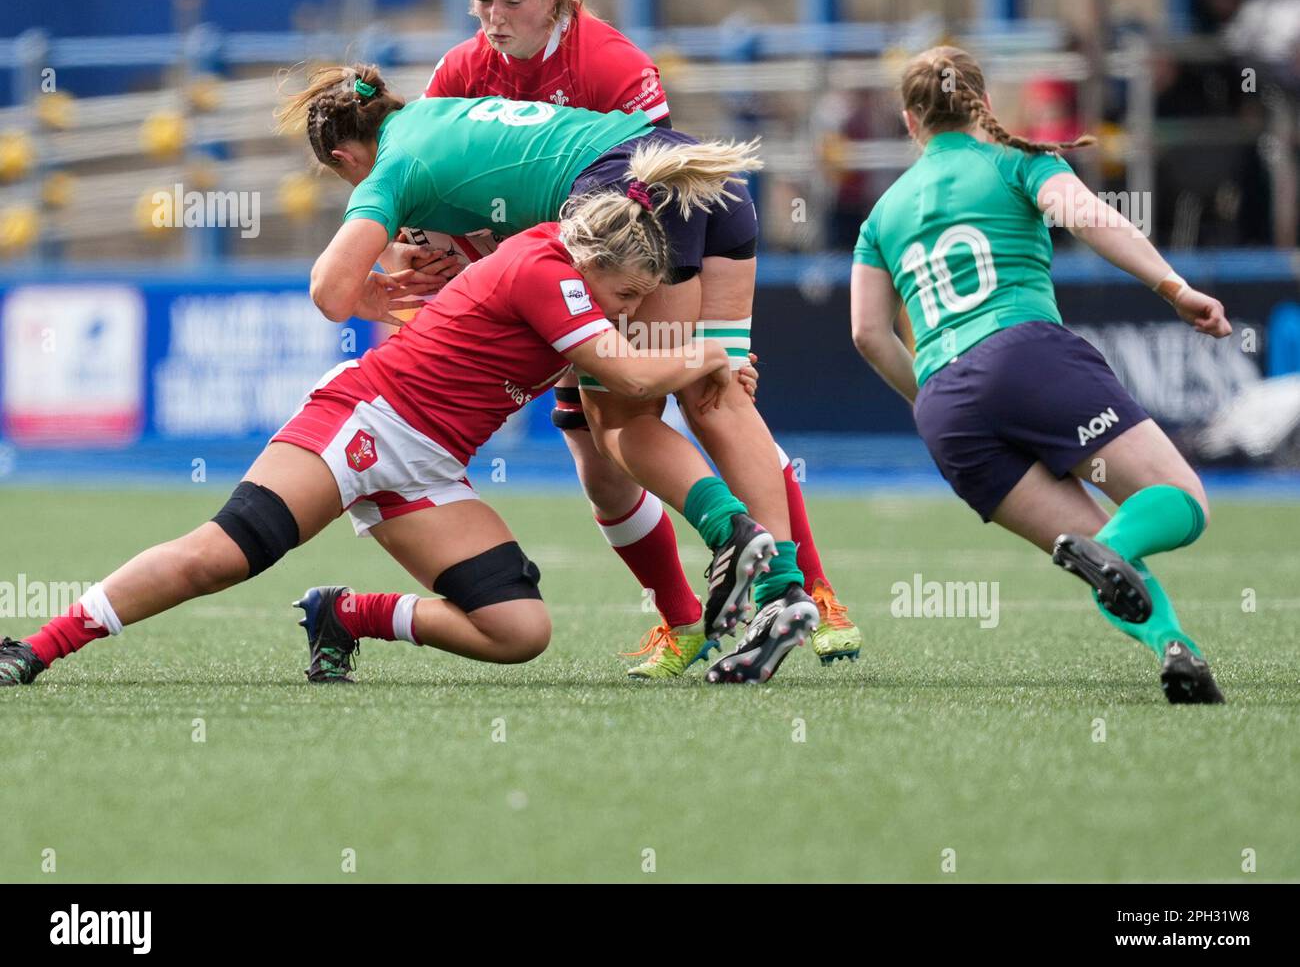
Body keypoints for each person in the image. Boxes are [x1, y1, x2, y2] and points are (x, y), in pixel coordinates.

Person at [0, 183, 788, 688]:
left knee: (520, 630)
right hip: (363, 422)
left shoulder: (567, 271)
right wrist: (713, 353)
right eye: (624, 296)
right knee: (221, 554)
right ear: (595, 266)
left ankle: (345, 615)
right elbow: (628, 376)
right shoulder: (548, 270)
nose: (625, 311)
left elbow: (628, 365)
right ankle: (37, 646)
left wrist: (702, 364)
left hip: (430, 465)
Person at [422, 0, 861, 673]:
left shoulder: (614, 64)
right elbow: (444, 192)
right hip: (591, 253)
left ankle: (799, 586)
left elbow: (657, 208)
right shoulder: (459, 70)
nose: (494, 16)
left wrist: (692, 346)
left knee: (661, 409)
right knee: (606, 463)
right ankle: (697, 617)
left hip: (650, 236)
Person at [280, 66, 824, 682]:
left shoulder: (392, 164)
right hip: (696, 173)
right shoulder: (442, 110)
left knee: (621, 417)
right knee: (718, 398)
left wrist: (376, 297)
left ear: (345, 155)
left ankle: (731, 532)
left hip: (631, 192)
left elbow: (330, 291)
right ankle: (784, 588)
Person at [850, 46, 1231, 704]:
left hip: (947, 407)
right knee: (1182, 500)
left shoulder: (881, 214)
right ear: (985, 104)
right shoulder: (1018, 160)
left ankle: (1175, 645)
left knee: (1101, 560)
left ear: (912, 122)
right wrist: (1173, 286)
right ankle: (1106, 546)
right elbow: (1089, 216)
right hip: (1026, 356)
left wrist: (929, 394)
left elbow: (866, 332)